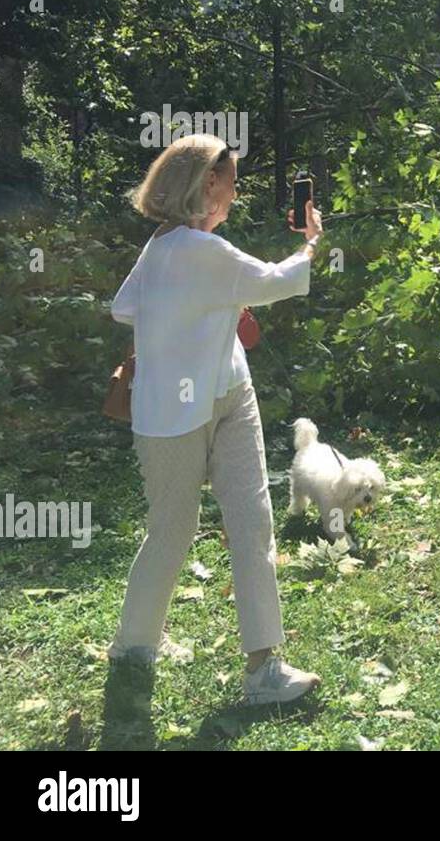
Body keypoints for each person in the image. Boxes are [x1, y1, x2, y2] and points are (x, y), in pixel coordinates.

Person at [108, 132, 324, 705]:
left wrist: (194, 312)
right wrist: (311, 243)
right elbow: (279, 282)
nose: (236, 191)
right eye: (230, 179)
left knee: (242, 524)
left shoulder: (163, 246)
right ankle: (139, 647)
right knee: (188, 532)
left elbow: (124, 307)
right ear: (207, 183)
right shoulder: (202, 252)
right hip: (179, 415)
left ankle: (260, 666)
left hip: (223, 395)